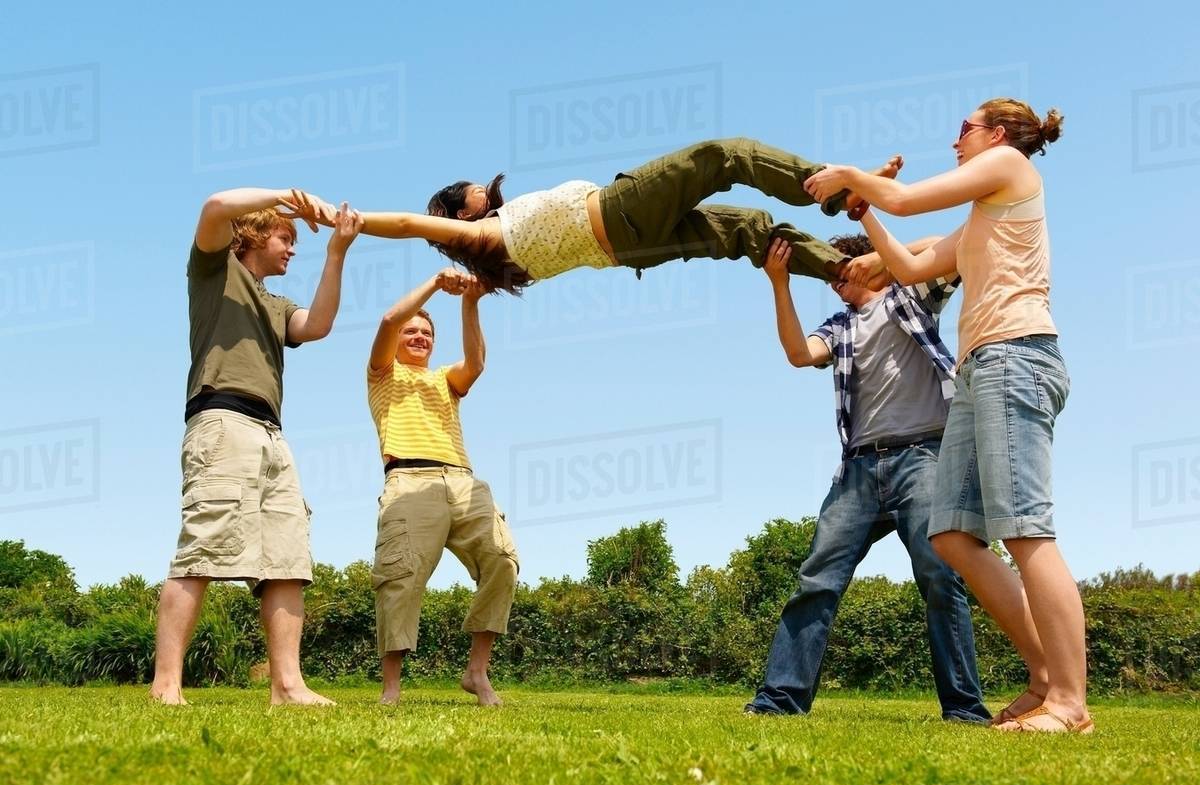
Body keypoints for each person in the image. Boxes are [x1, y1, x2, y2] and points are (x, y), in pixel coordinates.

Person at [808, 99, 1090, 734]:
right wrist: (866, 213)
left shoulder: (1012, 167)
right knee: (953, 537)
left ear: (995, 134)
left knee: (1026, 533)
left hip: (1016, 357)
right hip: (979, 372)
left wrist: (852, 173)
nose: (954, 139)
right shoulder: (982, 219)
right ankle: (1043, 680)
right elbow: (908, 266)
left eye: (964, 128)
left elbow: (909, 201)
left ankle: (1070, 704)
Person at [744, 235, 989, 723]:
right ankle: (779, 700)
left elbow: (951, 245)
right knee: (817, 578)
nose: (835, 280)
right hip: (858, 468)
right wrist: (779, 282)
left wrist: (876, 260)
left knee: (942, 576)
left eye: (841, 268)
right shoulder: (839, 327)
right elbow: (798, 353)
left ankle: (964, 708)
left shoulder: (910, 297)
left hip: (923, 458)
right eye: (829, 274)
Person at [150, 188, 363, 706]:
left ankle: (287, 686)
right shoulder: (214, 272)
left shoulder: (276, 304)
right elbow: (215, 205)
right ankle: (166, 685)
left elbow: (318, 325)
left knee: (288, 560)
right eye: (284, 237)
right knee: (202, 551)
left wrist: (337, 252)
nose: (292, 248)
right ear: (252, 235)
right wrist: (296, 199)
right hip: (221, 421)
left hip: (272, 433)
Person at [283, 139, 902, 294]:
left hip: (628, 251)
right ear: (458, 213)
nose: (488, 195)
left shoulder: (500, 265)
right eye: (477, 194)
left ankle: (847, 272)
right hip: (618, 210)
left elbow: (469, 282)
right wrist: (350, 218)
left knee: (753, 234)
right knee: (724, 157)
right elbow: (414, 226)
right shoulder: (478, 234)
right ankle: (831, 191)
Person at [366, 268, 519, 706]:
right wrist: (435, 284)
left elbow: (476, 365)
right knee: (401, 575)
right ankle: (392, 687)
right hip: (410, 480)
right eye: (411, 331)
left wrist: (470, 301)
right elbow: (388, 320)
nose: (418, 337)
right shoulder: (382, 374)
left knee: (503, 560)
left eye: (426, 332)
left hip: (463, 479)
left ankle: (477, 672)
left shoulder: (444, 380)